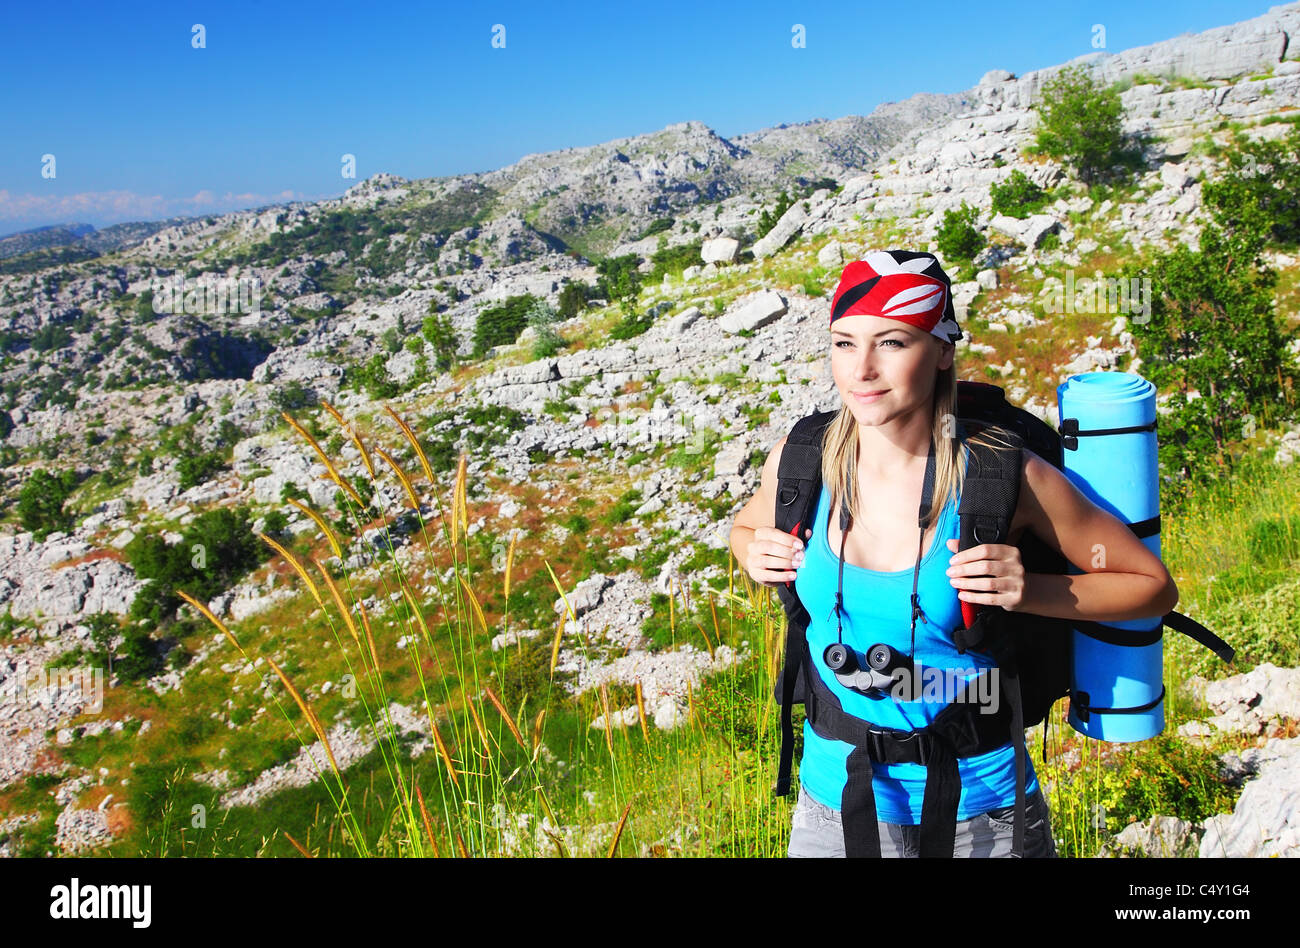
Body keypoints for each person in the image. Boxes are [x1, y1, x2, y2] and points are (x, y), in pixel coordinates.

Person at [728, 250, 1179, 858]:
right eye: (843, 343)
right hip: (833, 804)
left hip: (984, 811)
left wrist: (1031, 591)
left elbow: (1149, 584)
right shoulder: (802, 458)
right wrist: (752, 551)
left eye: (891, 343)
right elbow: (744, 529)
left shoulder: (1000, 477)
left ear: (941, 351)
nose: (860, 369)